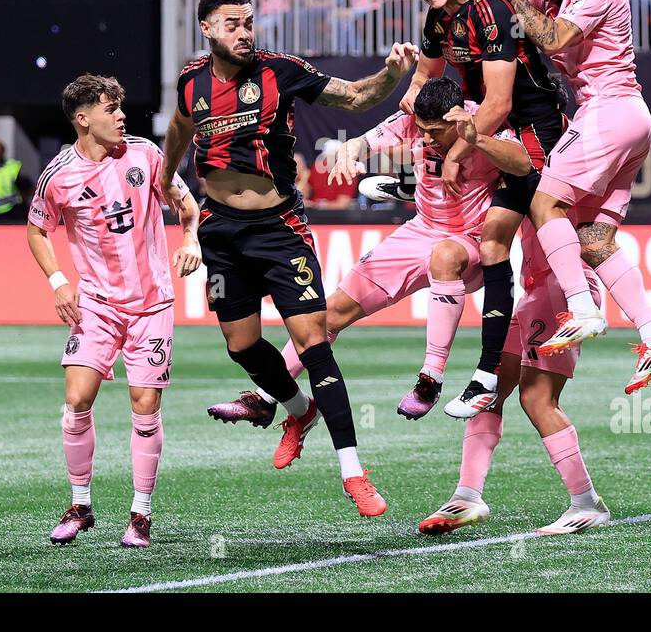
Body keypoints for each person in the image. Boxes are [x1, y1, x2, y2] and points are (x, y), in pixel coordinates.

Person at [159, 0, 417, 517]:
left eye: (249, 22)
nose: (245, 32)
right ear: (206, 28)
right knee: (241, 346)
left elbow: (354, 97)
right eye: (232, 23)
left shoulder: (281, 71)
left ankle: (354, 472)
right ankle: (299, 411)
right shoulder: (191, 81)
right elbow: (180, 129)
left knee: (313, 340)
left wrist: (392, 74)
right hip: (219, 229)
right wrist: (166, 176)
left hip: (279, 227)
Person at [208, 76, 535, 428]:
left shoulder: (479, 120)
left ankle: (431, 379)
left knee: (443, 256)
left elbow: (522, 164)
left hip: (467, 240)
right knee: (329, 313)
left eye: (435, 131)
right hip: (418, 231)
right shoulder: (412, 122)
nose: (425, 138)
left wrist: (477, 140)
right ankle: (267, 397)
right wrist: (347, 154)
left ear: (456, 119)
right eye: (422, 129)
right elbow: (360, 143)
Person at [474, 0, 651, 396]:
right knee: (593, 239)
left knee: (545, 203)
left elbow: (552, 39)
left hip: (608, 109)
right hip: (629, 118)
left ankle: (581, 307)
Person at [27, 74, 201, 548]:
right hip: (97, 306)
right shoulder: (58, 176)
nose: (122, 116)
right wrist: (59, 281)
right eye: (110, 109)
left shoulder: (145, 154)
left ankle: (140, 514)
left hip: (152, 305)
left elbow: (188, 205)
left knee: (145, 407)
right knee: (77, 400)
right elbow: (37, 230)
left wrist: (190, 238)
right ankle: (81, 505)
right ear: (83, 119)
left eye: (121, 107)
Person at [397, 0, 567, 420]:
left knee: (507, 245)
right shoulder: (436, 20)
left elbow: (498, 104)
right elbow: (425, 80)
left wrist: (453, 153)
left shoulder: (491, 10)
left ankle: (492, 370)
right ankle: (489, 375)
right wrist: (408, 96)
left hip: (533, 133)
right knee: (495, 246)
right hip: (487, 131)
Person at [420, 219, 611, 536]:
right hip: (535, 289)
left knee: (538, 399)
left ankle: (586, 503)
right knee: (487, 388)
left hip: (559, 288)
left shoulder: (549, 178)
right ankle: (467, 495)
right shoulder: (533, 177)